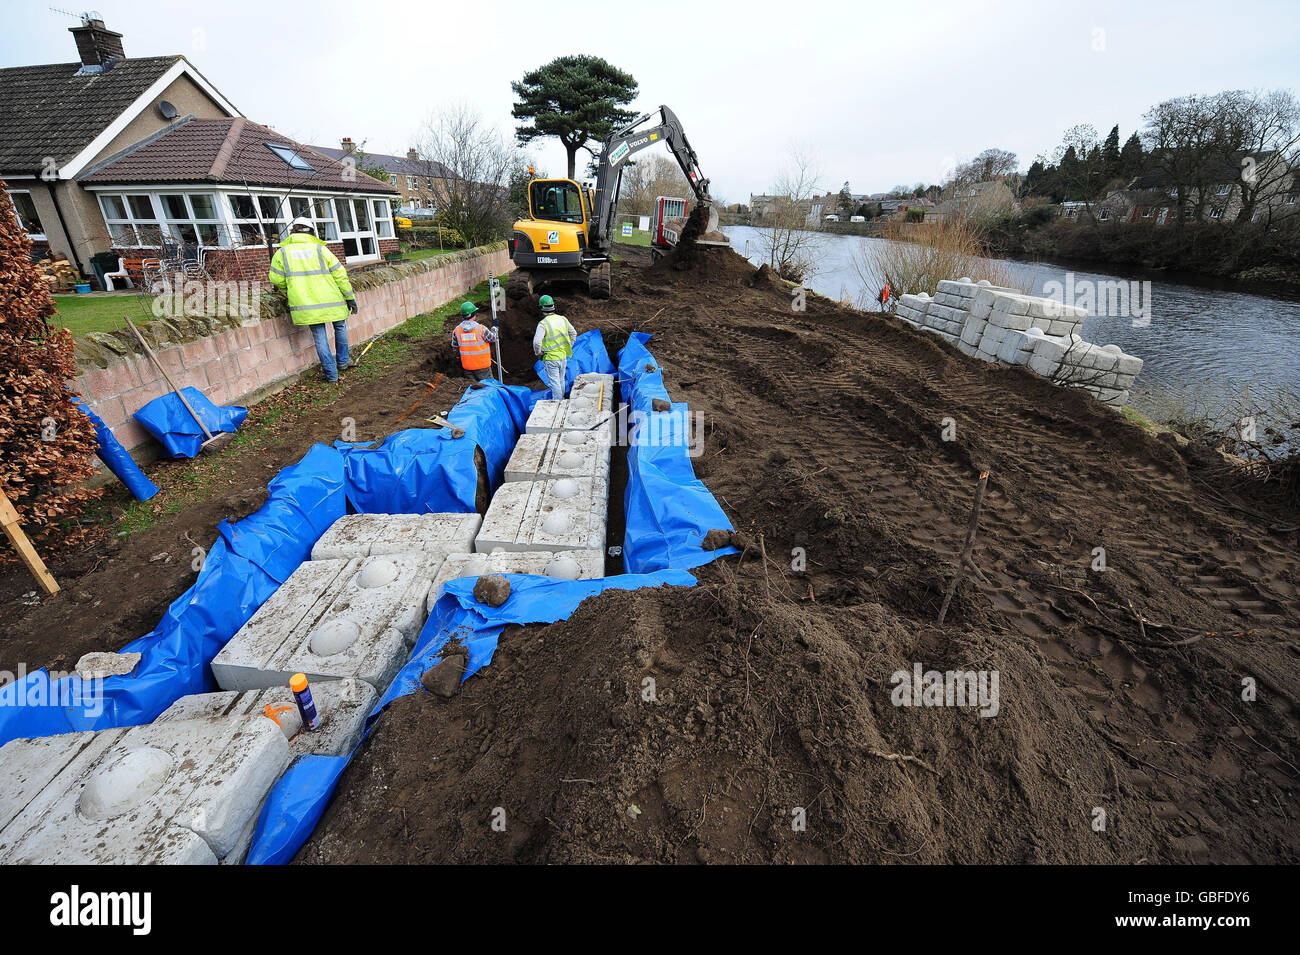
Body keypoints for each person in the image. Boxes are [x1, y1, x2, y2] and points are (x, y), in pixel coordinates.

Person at [268, 217, 357, 382]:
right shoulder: (321, 250)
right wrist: (349, 297)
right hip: (332, 299)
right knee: (340, 326)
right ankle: (344, 361)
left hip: (305, 303)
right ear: (311, 232)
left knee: (319, 335)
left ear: (293, 232)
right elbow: (340, 275)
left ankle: (331, 375)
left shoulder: (282, 253)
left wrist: (291, 288)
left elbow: (276, 279)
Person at [533, 294, 576, 400]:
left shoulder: (543, 324)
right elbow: (573, 333)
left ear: (541, 308)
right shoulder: (563, 319)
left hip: (550, 358)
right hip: (562, 356)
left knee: (554, 382)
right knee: (561, 380)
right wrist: (568, 346)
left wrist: (538, 353)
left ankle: (558, 403)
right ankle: (561, 401)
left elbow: (537, 343)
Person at [450, 301, 499, 381]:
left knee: (474, 388)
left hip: (467, 366)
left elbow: (455, 348)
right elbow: (493, 338)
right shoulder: (481, 329)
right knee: (489, 387)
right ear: (474, 314)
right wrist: (495, 328)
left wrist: (459, 357)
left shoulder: (457, 330)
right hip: (482, 367)